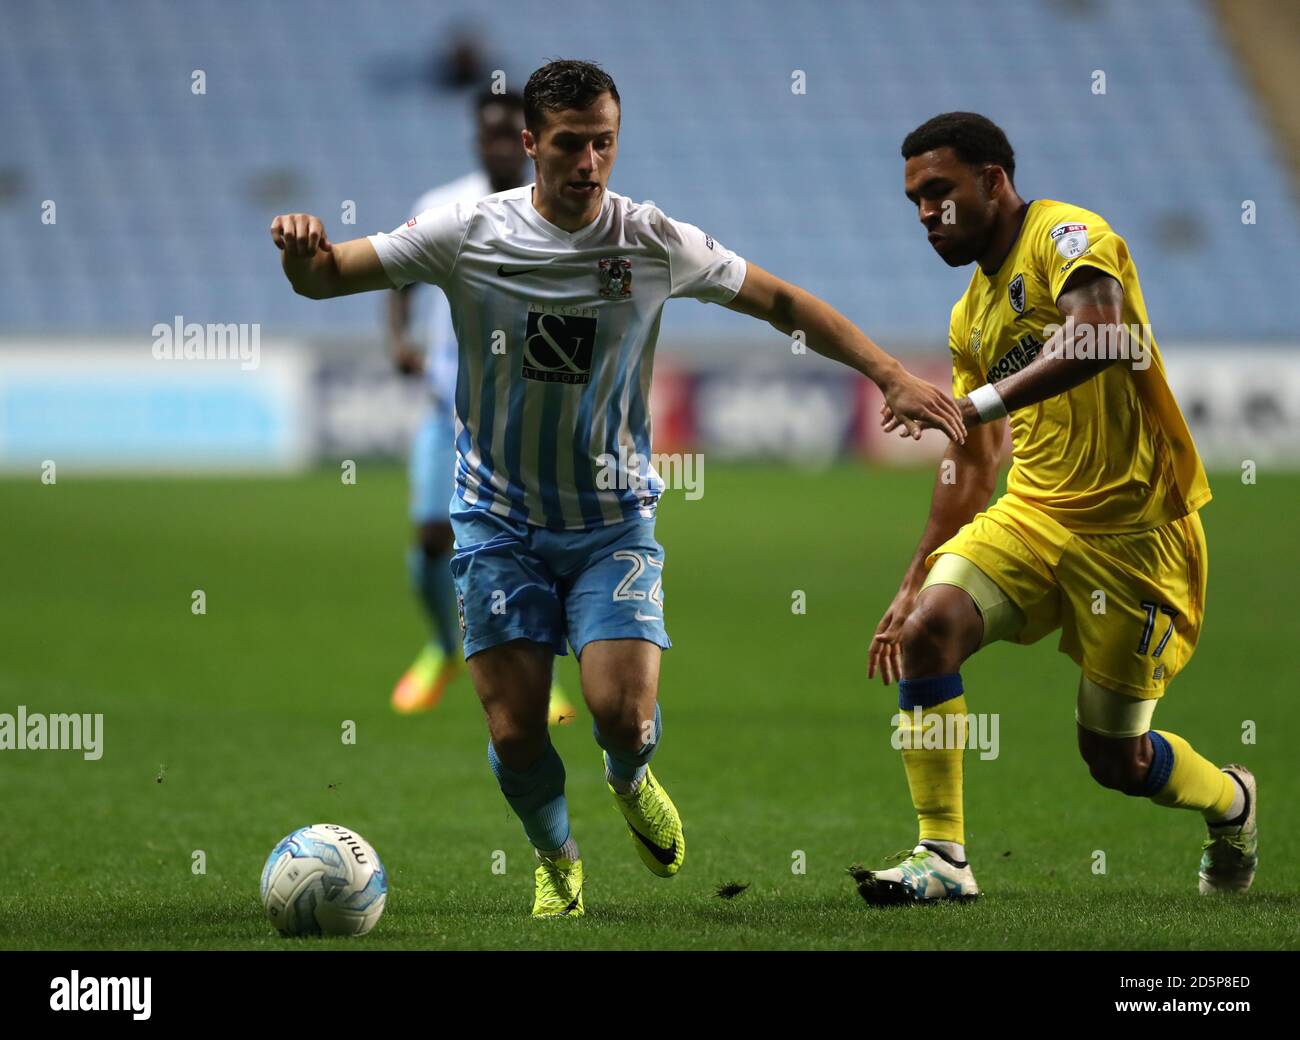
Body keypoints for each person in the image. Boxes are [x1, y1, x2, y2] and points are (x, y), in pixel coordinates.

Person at [271, 60, 963, 919]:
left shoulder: (651, 241)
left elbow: (781, 300)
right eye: (570, 144)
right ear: (531, 144)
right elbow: (331, 273)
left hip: (611, 522)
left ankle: (631, 779)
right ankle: (556, 859)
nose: (590, 162)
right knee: (516, 732)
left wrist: (889, 373)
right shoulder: (464, 232)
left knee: (620, 716)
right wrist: (304, 254)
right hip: (497, 520)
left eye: (605, 142)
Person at [859, 112, 1255, 905]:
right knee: (930, 628)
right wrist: (915, 575)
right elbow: (975, 462)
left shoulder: (1065, 235)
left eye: (939, 190)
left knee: (1118, 760)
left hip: (1138, 537)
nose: (927, 213)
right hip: (1034, 516)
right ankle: (942, 856)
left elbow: (1099, 336)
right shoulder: (970, 316)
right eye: (913, 201)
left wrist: (972, 403)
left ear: (994, 180)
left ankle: (1233, 802)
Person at [386, 88, 573, 726]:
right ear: (477, 139)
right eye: (486, 134)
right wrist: (399, 342)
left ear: (527, 139)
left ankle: (538, 675)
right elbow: (398, 277)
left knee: (529, 547)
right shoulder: (441, 207)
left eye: (507, 134)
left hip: (522, 419)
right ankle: (442, 645)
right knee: (433, 536)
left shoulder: (560, 210)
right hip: (449, 409)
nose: (496, 146)